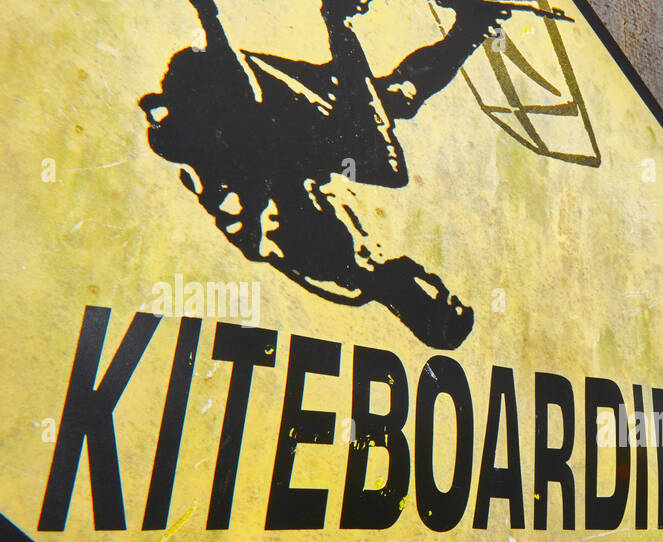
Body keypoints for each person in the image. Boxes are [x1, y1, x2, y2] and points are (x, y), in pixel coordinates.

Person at [140, 0, 515, 350]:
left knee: (380, 156)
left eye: (436, 291)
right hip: (260, 122)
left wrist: (213, 23)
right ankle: (471, 27)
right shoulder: (358, 270)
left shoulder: (345, 263)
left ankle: (339, 19)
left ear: (417, 302)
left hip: (243, 118)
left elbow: (259, 190)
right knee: (392, 105)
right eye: (442, 284)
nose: (431, 276)